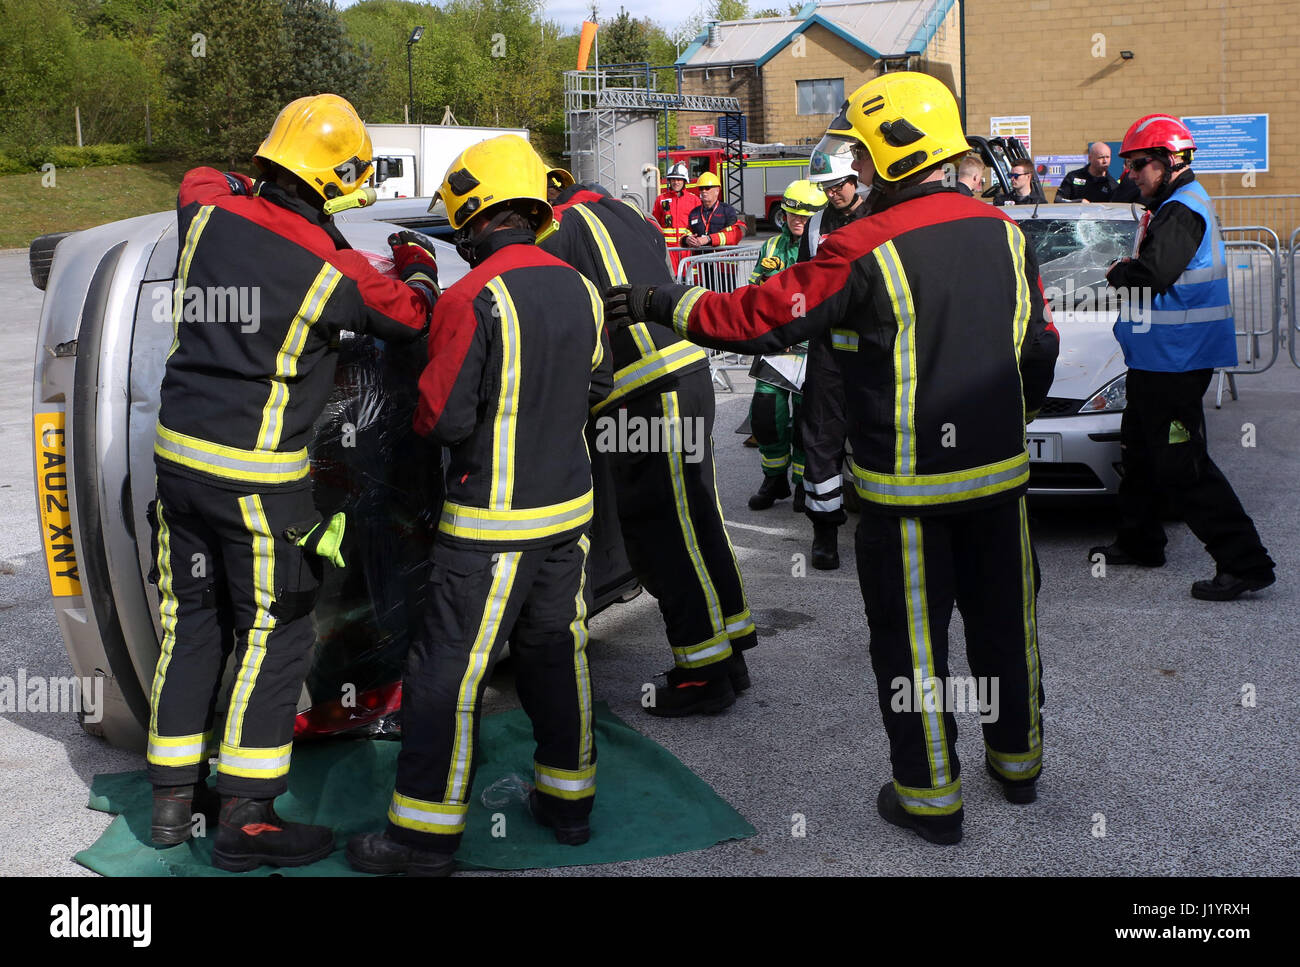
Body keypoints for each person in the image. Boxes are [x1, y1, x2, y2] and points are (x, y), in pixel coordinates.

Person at [604, 71, 1059, 846]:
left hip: (906, 495)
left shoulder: (864, 244)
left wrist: (659, 300)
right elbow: (1037, 348)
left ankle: (930, 798)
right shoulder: (1005, 232)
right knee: (1005, 628)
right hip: (1001, 483)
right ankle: (1017, 765)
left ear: (881, 152)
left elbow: (759, 318)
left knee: (914, 644)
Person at [146, 94, 438, 870]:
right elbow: (410, 317)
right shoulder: (330, 265)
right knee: (274, 635)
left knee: (192, 621)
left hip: (179, 467)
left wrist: (251, 187)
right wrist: (420, 261)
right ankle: (246, 816)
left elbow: (200, 176)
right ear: (336, 176)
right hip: (259, 485)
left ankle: (173, 799)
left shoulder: (207, 213)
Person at [345, 136, 612, 877]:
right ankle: (569, 804)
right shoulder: (580, 287)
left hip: (489, 525)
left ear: (470, 216)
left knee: (445, 671)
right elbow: (597, 385)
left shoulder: (472, 297)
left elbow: (442, 419)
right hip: (568, 513)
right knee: (557, 652)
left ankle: (421, 838)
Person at [540, 169, 758, 715]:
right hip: (684, 376)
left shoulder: (557, 227)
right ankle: (729, 650)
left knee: (663, 534)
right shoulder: (625, 213)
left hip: (640, 390)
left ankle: (703, 675)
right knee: (696, 519)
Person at [1090, 114, 1275, 601]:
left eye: (1139, 164)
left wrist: (1118, 271)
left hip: (1177, 360)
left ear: (1171, 161)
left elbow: (1154, 274)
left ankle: (1245, 562)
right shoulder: (1175, 203)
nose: (1130, 174)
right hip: (1160, 358)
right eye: (1128, 164)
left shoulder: (1181, 210)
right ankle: (1140, 540)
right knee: (1140, 448)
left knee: (1181, 462)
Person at [795, 137, 871, 569]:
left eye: (839, 184)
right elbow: (806, 282)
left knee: (874, 434)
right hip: (828, 349)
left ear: (854, 178)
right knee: (821, 437)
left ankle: (876, 519)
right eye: (826, 187)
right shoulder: (816, 224)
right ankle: (824, 531)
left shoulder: (878, 215)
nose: (833, 193)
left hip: (874, 347)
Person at [745, 180, 827, 511]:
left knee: (807, 419)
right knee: (766, 415)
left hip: (813, 347)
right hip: (777, 347)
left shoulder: (826, 248)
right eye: (792, 213)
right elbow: (753, 291)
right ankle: (774, 478)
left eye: (806, 215)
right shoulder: (770, 248)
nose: (797, 220)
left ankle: (803, 483)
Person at [653, 161, 701, 270]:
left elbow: (699, 225)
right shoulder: (661, 199)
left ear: (685, 181)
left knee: (688, 280)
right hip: (667, 250)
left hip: (687, 249)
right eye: (673, 179)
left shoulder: (694, 200)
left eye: (679, 179)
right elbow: (655, 223)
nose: (676, 182)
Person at [684, 171, 743, 249]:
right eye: (701, 188)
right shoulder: (694, 213)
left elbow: (735, 235)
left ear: (717, 190)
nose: (704, 191)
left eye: (707, 188)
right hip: (700, 259)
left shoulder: (727, 211)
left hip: (722, 259)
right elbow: (686, 232)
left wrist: (709, 239)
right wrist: (686, 239)